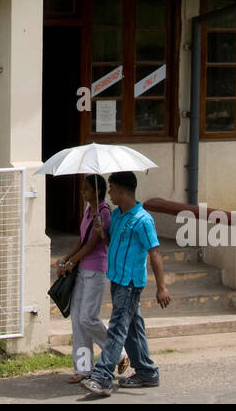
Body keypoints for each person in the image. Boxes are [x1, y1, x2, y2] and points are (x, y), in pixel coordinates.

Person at [81, 170, 171, 397]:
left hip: (130, 283)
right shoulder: (119, 215)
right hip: (117, 279)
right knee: (132, 329)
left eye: (111, 189)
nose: (109, 193)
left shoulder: (143, 220)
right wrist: (102, 233)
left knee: (117, 330)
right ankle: (147, 372)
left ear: (122, 190)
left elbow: (155, 253)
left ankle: (101, 377)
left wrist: (161, 287)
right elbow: (112, 242)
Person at [55, 174, 128, 382]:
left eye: (86, 189)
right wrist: (66, 258)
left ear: (97, 190)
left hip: (96, 270)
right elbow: (81, 239)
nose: (82, 192)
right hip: (81, 270)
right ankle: (83, 368)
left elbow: (92, 244)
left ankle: (118, 353)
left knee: (88, 318)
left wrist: (71, 262)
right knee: (78, 319)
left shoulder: (104, 212)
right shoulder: (88, 210)